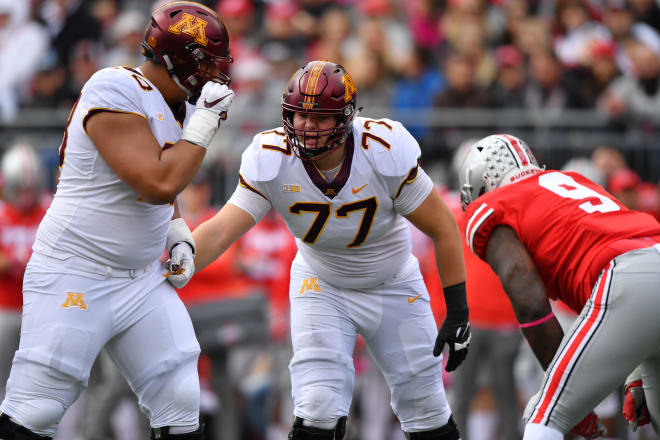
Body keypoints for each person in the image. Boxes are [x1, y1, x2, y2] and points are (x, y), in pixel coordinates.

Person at [181, 60, 471, 439]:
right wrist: (178, 265)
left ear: (345, 118)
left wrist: (458, 309)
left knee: (425, 406)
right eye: (299, 115)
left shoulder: (383, 150)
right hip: (322, 283)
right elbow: (221, 231)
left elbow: (444, 229)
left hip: (393, 281)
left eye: (319, 118)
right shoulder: (271, 156)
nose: (306, 126)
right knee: (316, 404)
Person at [0, 2, 235, 439]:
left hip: (140, 278)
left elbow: (158, 191)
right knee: (38, 407)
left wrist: (177, 231)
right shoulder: (114, 86)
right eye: (207, 65)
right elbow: (158, 182)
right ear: (180, 60)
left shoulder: (171, 103)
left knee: (180, 398)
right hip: (77, 270)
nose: (215, 78)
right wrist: (206, 122)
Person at [458, 133, 660, 439]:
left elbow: (529, 301)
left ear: (481, 183)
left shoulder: (495, 205)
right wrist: (634, 369)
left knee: (543, 417)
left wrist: (567, 397)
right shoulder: (574, 181)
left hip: (628, 278)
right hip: (645, 269)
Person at [0, 144, 49, 402]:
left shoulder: (52, 209)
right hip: (6, 308)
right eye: (21, 190)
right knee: (4, 377)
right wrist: (10, 261)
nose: (26, 196)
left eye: (31, 189)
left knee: (41, 382)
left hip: (43, 310)